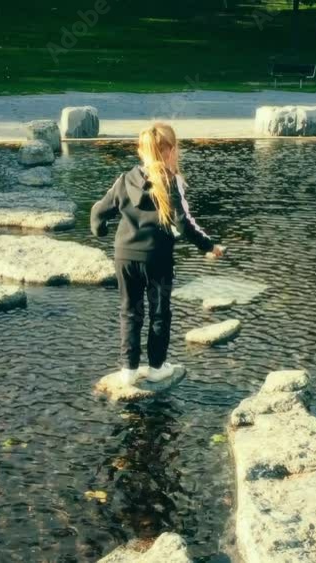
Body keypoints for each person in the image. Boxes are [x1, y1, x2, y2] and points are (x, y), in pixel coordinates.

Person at [91, 122, 224, 385]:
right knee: (160, 312)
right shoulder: (172, 182)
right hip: (157, 258)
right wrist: (209, 246)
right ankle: (156, 368)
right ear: (171, 151)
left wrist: (101, 231)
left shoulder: (124, 180)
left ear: (140, 151)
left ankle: (128, 370)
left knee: (130, 310)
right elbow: (185, 224)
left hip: (124, 256)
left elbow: (98, 212)